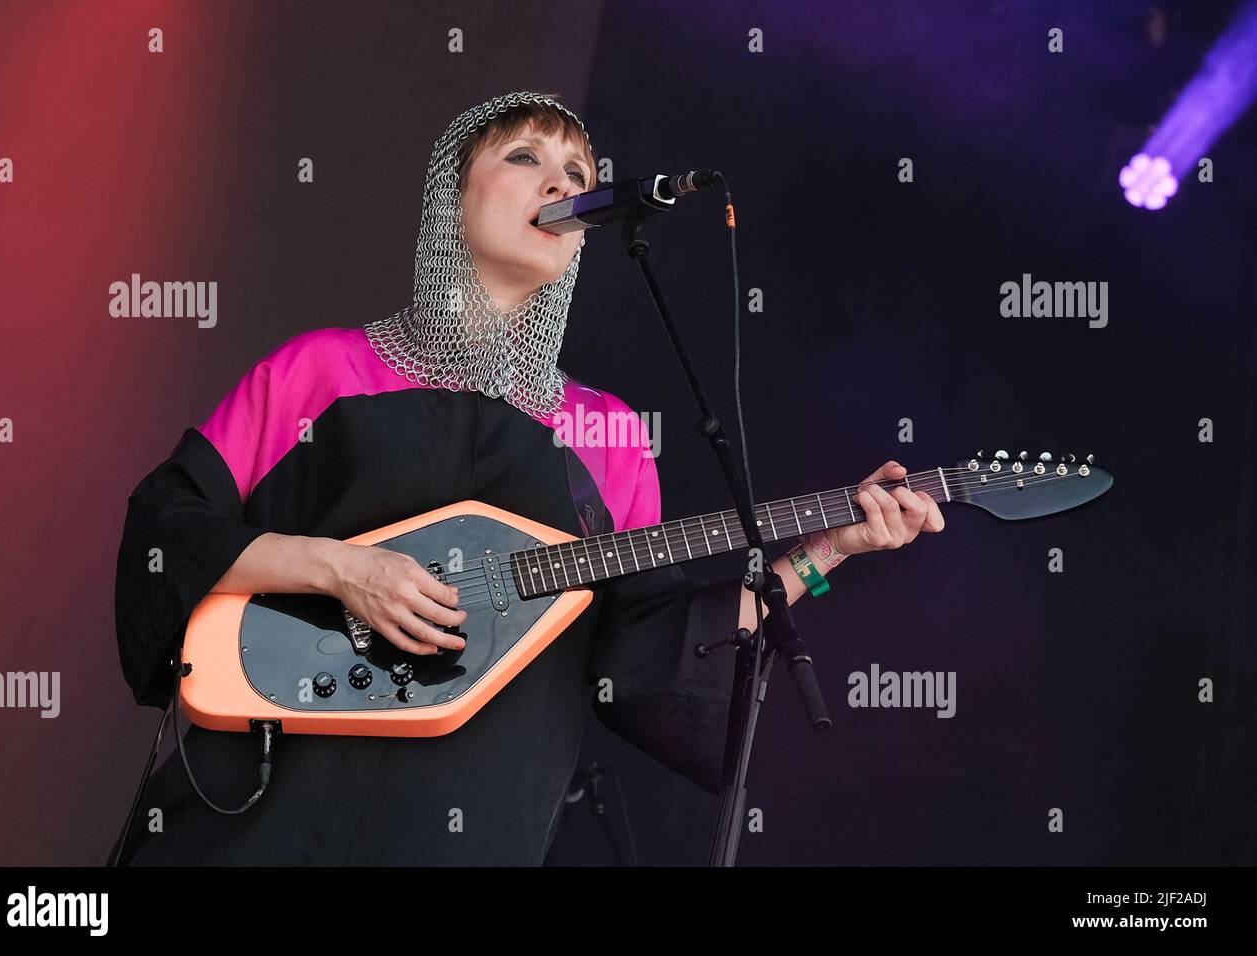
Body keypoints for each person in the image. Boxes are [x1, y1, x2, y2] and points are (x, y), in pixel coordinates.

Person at [109, 90, 945, 866]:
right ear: (451, 198)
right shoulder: (320, 371)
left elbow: (652, 652)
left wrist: (826, 553)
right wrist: (341, 570)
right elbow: (166, 531)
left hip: (468, 819)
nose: (561, 183)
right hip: (257, 805)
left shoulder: (607, 436)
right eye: (523, 158)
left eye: (579, 173)